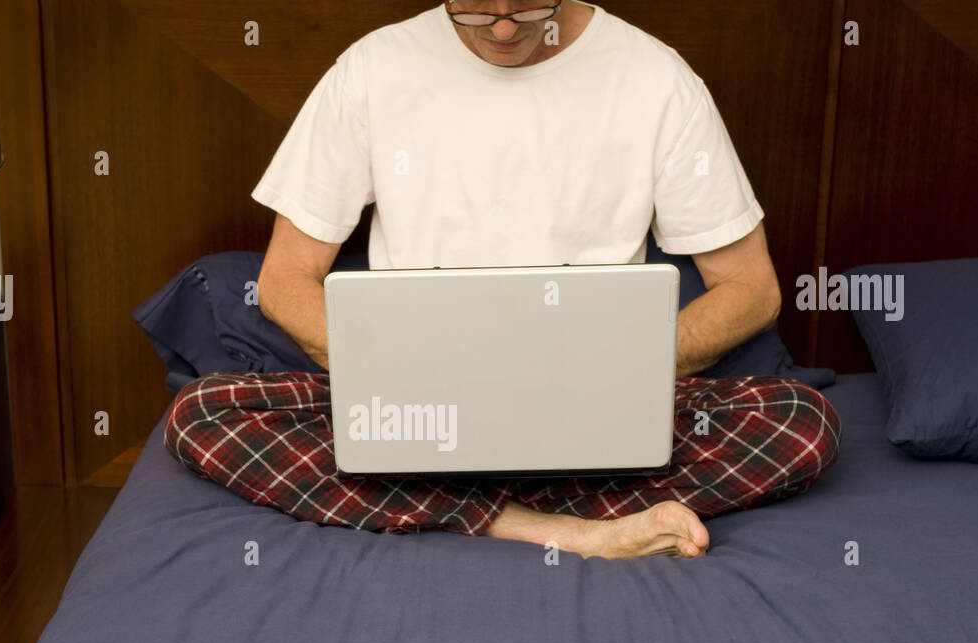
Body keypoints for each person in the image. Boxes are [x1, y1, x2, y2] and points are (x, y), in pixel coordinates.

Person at [165, 0, 842, 559]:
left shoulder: (656, 80)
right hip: (420, 416)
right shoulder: (372, 70)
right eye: (475, 9)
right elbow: (285, 282)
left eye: (527, 5)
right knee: (204, 413)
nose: (505, 27)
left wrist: (616, 370)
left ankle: (459, 513)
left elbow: (751, 290)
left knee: (804, 423)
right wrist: (393, 378)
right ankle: (570, 531)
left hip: (595, 415)